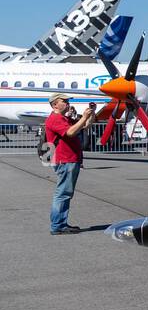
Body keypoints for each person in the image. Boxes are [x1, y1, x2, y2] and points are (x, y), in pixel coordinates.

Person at [44, 93, 94, 235]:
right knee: (63, 194)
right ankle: (58, 226)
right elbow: (70, 133)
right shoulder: (55, 119)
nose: (67, 103)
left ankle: (61, 224)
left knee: (65, 193)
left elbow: (84, 126)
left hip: (69, 159)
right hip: (65, 160)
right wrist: (84, 117)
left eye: (67, 101)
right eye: (64, 101)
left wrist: (90, 114)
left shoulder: (63, 118)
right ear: (55, 105)